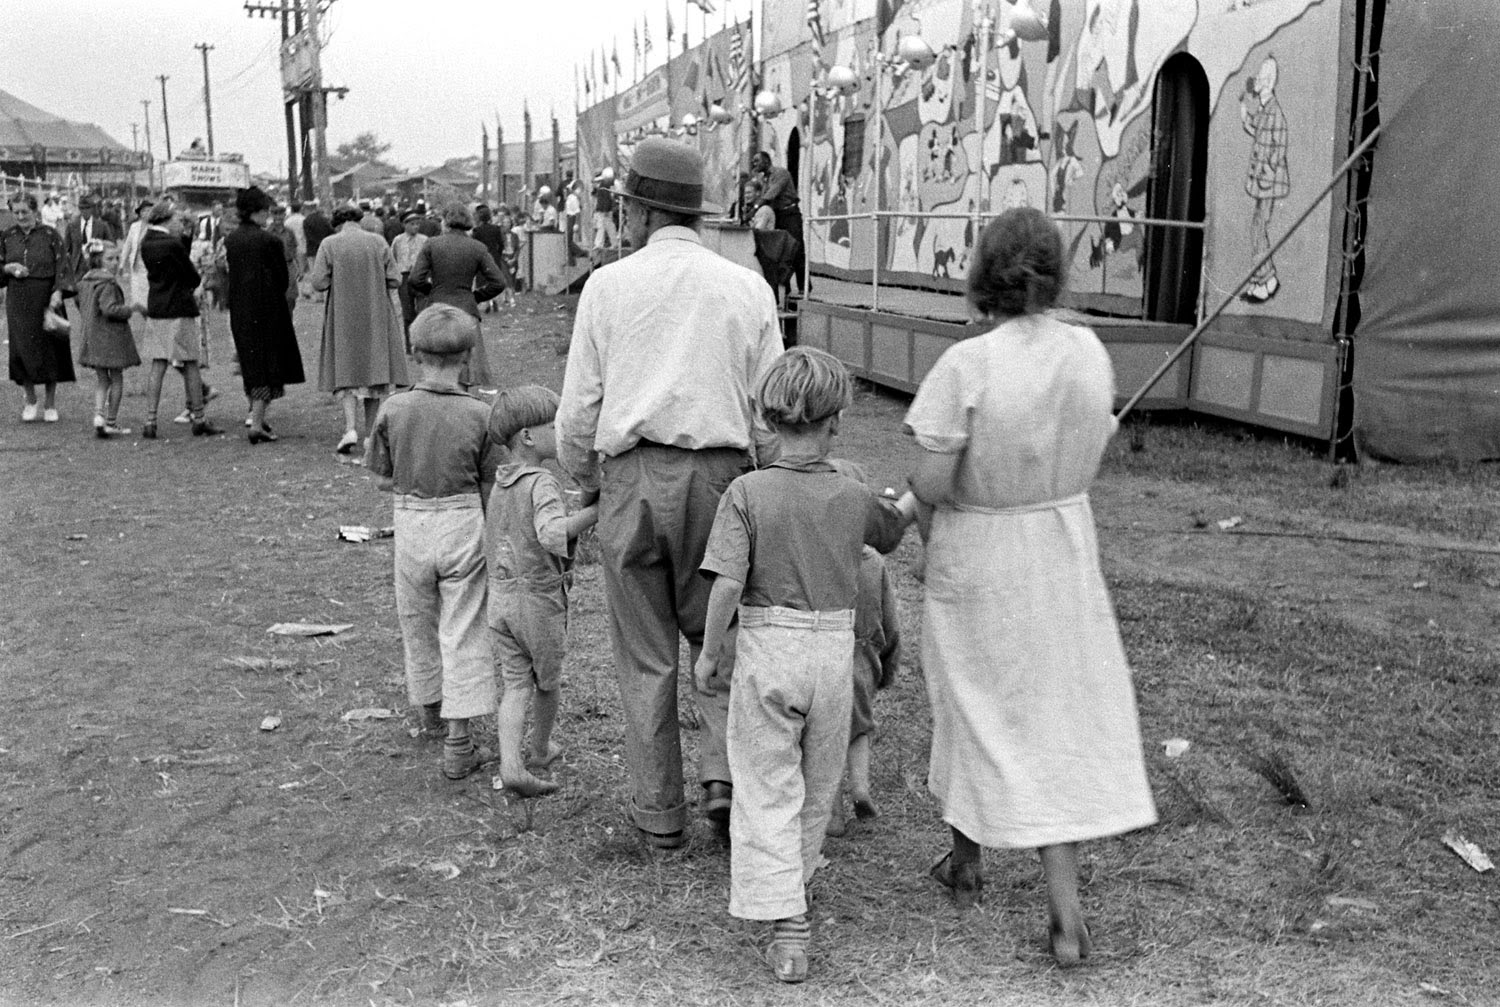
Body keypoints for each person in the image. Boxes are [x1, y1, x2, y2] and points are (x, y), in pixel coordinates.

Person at [904, 207, 1156, 966]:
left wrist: (907, 504)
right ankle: (1065, 909)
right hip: (1060, 543)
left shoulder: (967, 365)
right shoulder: (1088, 352)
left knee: (971, 699)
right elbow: (1091, 447)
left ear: (983, 275)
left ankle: (968, 855)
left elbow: (934, 481)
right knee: (1055, 713)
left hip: (982, 546)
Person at [556, 137, 784, 850]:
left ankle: (660, 815)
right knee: (719, 631)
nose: (620, 216)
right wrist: (768, 479)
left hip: (631, 475)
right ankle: (722, 776)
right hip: (722, 475)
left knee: (645, 652)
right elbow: (770, 408)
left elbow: (578, 412)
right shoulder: (748, 286)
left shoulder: (608, 287)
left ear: (642, 209)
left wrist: (588, 481)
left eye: (624, 204)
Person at [693, 347, 916, 983]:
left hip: (769, 649)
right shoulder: (851, 493)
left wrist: (712, 652)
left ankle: (785, 921)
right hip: (832, 652)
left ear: (765, 418)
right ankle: (800, 882)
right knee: (818, 785)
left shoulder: (745, 492)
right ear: (836, 421)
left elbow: (728, 585)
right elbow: (891, 532)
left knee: (766, 782)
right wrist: (915, 495)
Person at [366, 303, 504, 781]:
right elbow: (491, 483)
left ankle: (429, 707)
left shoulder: (394, 407)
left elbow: (381, 479)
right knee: (464, 624)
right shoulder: (479, 414)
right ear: (466, 357)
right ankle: (460, 739)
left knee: (416, 618)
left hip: (411, 520)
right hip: (463, 518)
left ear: (413, 351)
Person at [485, 385, 600, 797]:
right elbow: (551, 534)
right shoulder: (542, 482)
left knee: (516, 684)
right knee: (548, 682)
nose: (561, 431)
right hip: (536, 599)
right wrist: (596, 512)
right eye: (554, 425)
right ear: (529, 436)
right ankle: (538, 748)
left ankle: (510, 764)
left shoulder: (501, 482)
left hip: (498, 598)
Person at [309, 205, 409, 454]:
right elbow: (395, 279)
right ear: (359, 220)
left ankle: (350, 428)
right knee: (374, 370)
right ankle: (371, 433)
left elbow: (319, 282)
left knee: (347, 367)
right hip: (375, 312)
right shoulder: (377, 241)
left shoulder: (329, 243)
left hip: (343, 313)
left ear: (337, 223)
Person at [224, 187, 306, 444]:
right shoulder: (270, 241)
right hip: (268, 309)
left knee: (250, 360)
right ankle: (257, 423)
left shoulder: (232, 239)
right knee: (268, 363)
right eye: (265, 212)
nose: (268, 217)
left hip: (240, 307)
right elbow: (282, 278)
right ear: (256, 212)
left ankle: (256, 416)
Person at [139, 204, 219, 438]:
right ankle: (199, 418)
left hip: (157, 307)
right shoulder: (172, 244)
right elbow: (191, 276)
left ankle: (150, 420)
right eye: (175, 219)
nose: (178, 222)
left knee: (158, 363)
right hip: (179, 307)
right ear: (166, 219)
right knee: (190, 363)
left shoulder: (147, 242)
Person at [407, 203, 503, 391]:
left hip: (437, 308)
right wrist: (475, 296)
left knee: (437, 361)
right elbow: (498, 282)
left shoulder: (432, 244)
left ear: (445, 222)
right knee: (463, 366)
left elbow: (414, 278)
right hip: (466, 308)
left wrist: (432, 291)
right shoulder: (477, 247)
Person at [2, 192, 74, 422]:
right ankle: (30, 399)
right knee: (22, 349)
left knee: (50, 349)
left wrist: (58, 292)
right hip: (18, 300)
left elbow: (63, 265)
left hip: (47, 298)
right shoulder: (7, 236)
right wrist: (7, 269)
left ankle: (50, 403)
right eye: (16, 212)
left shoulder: (51, 235)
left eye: (25, 211)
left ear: (35, 211)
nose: (21, 216)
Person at [75, 241, 141, 437]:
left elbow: (81, 305)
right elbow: (109, 309)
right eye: (110, 258)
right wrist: (130, 309)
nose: (115, 262)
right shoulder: (108, 284)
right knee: (117, 377)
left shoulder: (85, 283)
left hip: (92, 337)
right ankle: (111, 420)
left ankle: (98, 414)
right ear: (97, 260)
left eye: (117, 258)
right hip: (110, 337)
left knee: (102, 379)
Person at [752, 151, 805, 295]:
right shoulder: (765, 179)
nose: (754, 164)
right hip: (779, 214)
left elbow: (770, 195)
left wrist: (755, 209)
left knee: (796, 249)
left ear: (767, 161)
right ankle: (785, 287)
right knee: (782, 251)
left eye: (757, 161)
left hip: (790, 214)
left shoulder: (780, 174)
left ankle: (804, 286)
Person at [390, 211, 429, 346]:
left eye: (417, 224)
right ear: (404, 225)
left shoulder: (424, 240)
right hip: (405, 278)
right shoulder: (398, 240)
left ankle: (422, 343)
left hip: (420, 277)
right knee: (408, 313)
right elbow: (393, 259)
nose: (415, 227)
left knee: (423, 310)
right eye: (412, 224)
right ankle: (409, 344)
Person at [61, 194, 120, 279]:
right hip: (77, 268)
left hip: (96, 267)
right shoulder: (72, 226)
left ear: (92, 208)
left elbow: (111, 246)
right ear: (79, 209)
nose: (85, 211)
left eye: (87, 208)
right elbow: (66, 249)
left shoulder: (102, 226)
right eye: (82, 208)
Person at [469, 205, 511, 313]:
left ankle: (487, 303)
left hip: (482, 258)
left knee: (484, 281)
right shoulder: (496, 229)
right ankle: (495, 300)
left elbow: (474, 246)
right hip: (494, 257)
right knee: (494, 279)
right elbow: (501, 244)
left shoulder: (477, 231)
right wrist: (498, 254)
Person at [266, 204, 302, 313]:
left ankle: (288, 320)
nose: (278, 217)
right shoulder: (268, 233)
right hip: (273, 266)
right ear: (271, 215)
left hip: (288, 265)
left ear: (284, 215)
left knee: (291, 296)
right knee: (275, 296)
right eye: (275, 214)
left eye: (280, 214)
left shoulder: (289, 232)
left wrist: (299, 267)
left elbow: (295, 250)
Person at [300, 200, 333, 300]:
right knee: (323, 271)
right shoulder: (324, 219)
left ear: (307, 209)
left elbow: (308, 237)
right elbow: (331, 232)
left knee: (314, 272)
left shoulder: (306, 221)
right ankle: (322, 294)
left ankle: (318, 295)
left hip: (312, 250)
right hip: (325, 249)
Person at [590, 169, 619, 261]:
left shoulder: (604, 186)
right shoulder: (605, 186)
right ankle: (614, 243)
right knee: (609, 226)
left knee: (602, 227)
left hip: (603, 210)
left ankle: (599, 244)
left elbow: (605, 199)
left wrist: (605, 210)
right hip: (605, 210)